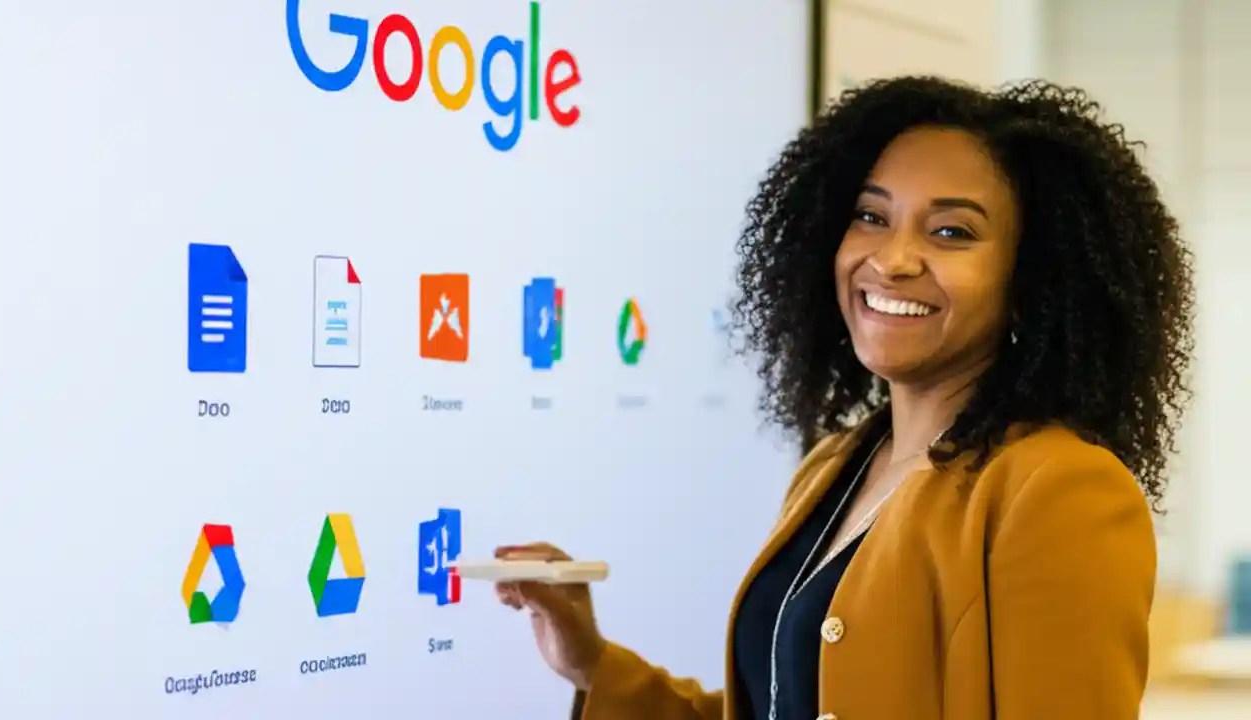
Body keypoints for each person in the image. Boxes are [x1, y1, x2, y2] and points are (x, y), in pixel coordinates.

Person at [494, 75, 1195, 719]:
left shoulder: (1059, 488)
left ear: (1032, 284)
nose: (892, 259)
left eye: (952, 231)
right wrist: (591, 662)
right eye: (870, 216)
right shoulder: (836, 465)